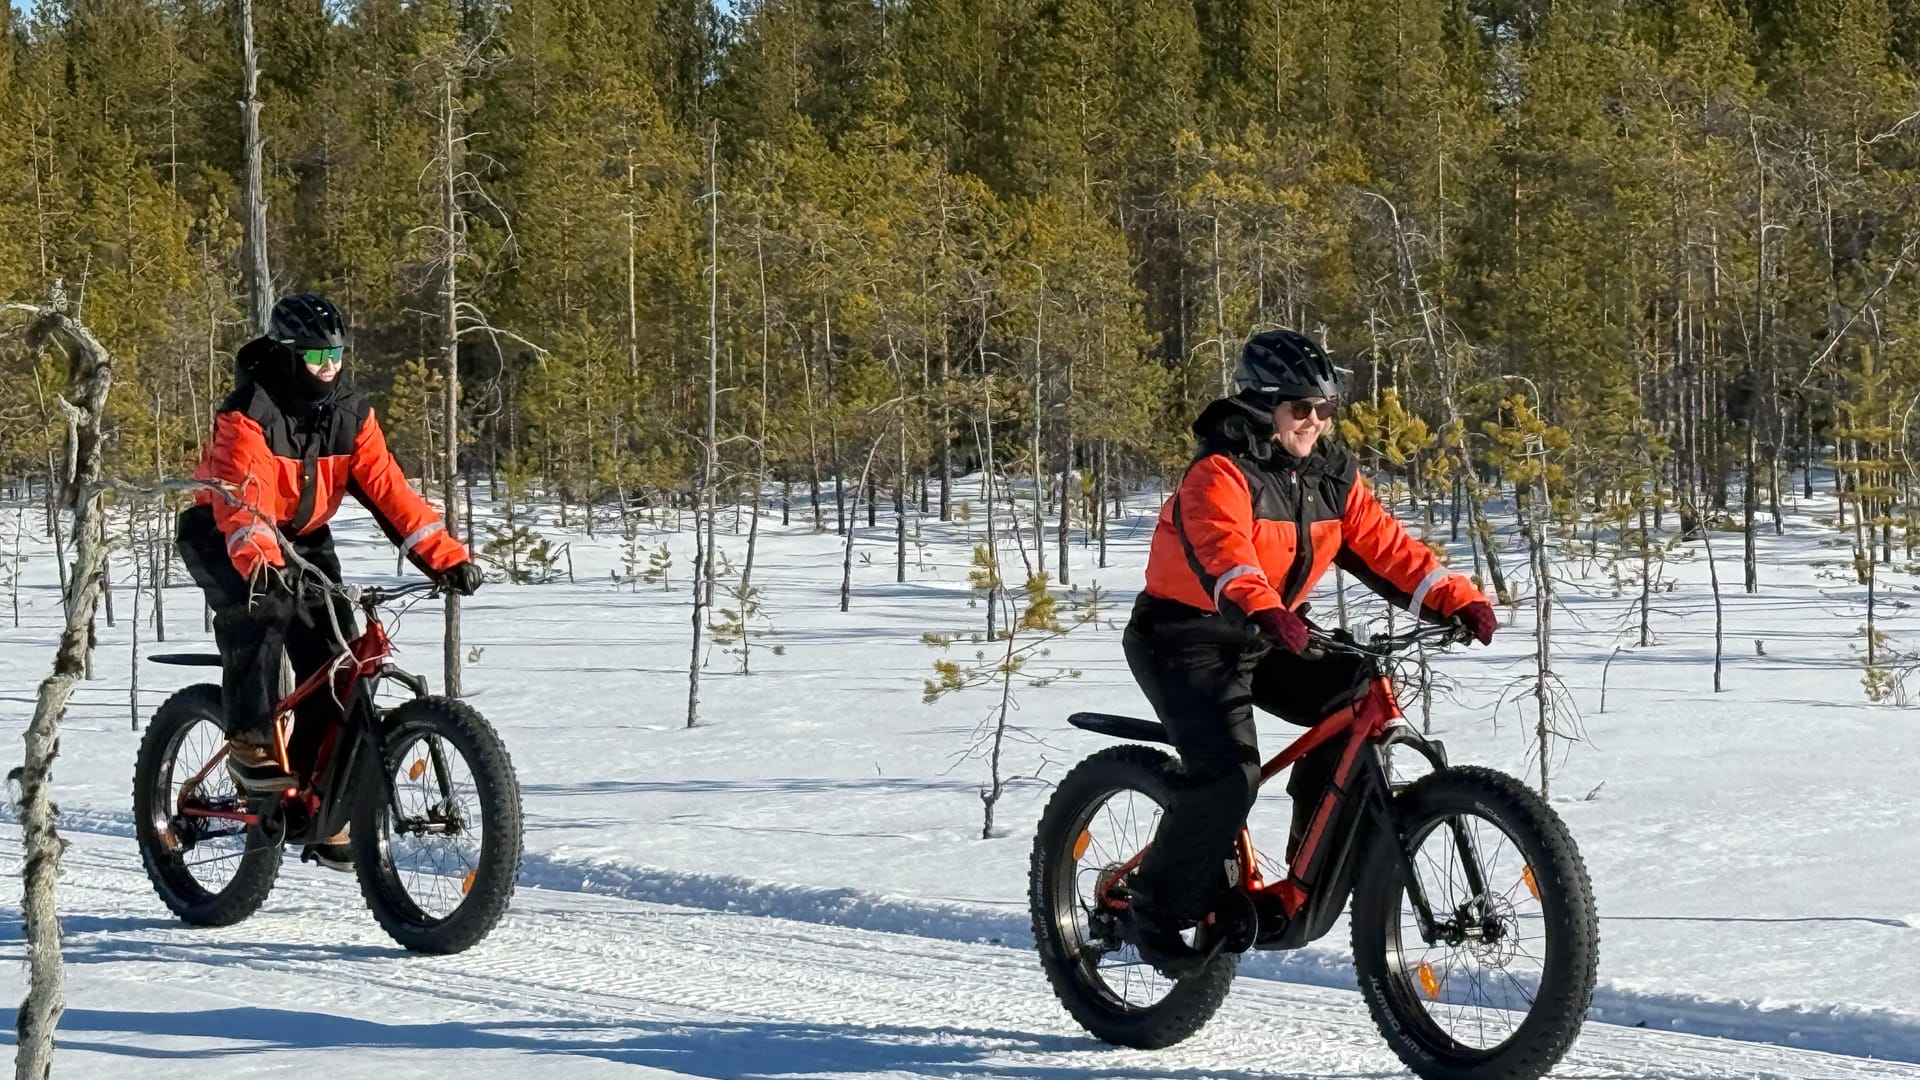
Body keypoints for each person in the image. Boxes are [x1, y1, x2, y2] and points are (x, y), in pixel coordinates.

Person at [1120, 328, 1498, 974]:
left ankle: (1307, 865)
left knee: (1355, 694)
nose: (1316, 422)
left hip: (1272, 631)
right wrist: (1262, 605)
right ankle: (1153, 905)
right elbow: (1223, 553)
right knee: (1228, 775)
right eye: (1302, 408)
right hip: (1186, 637)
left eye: (1325, 410)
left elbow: (1388, 548)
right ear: (1264, 405)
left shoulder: (1327, 477)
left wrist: (1454, 597)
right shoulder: (1219, 473)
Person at [176, 294, 484, 870]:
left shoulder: (351, 412)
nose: (330, 366)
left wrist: (444, 557)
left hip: (301, 535)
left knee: (335, 651)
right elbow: (243, 501)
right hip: (223, 531)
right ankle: (250, 741)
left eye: (338, 353)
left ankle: (323, 809)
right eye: (318, 354)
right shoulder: (249, 411)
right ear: (289, 354)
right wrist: (263, 564)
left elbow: (392, 493)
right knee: (259, 617)